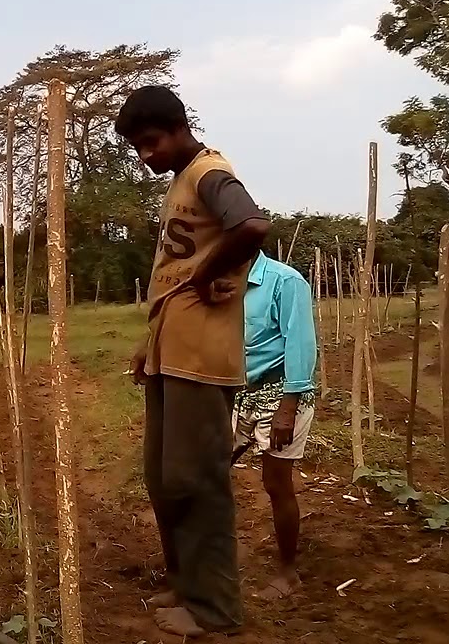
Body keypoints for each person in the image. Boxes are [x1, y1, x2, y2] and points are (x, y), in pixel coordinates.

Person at [117, 85, 271, 638]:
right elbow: (171, 278)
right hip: (170, 350)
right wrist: (148, 344)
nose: (146, 155)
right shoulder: (181, 182)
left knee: (197, 479)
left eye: (151, 142)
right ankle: (187, 584)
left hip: (201, 358)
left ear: (180, 127)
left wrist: (208, 275)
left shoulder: (209, 171)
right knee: (164, 478)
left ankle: (215, 608)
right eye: (137, 148)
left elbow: (252, 225)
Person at [232, 250, 317, 601]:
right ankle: (212, 561)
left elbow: (300, 344)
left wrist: (288, 407)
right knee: (210, 469)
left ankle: (287, 572)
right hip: (240, 390)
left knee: (275, 482)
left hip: (281, 392)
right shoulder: (226, 279)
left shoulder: (285, 281)